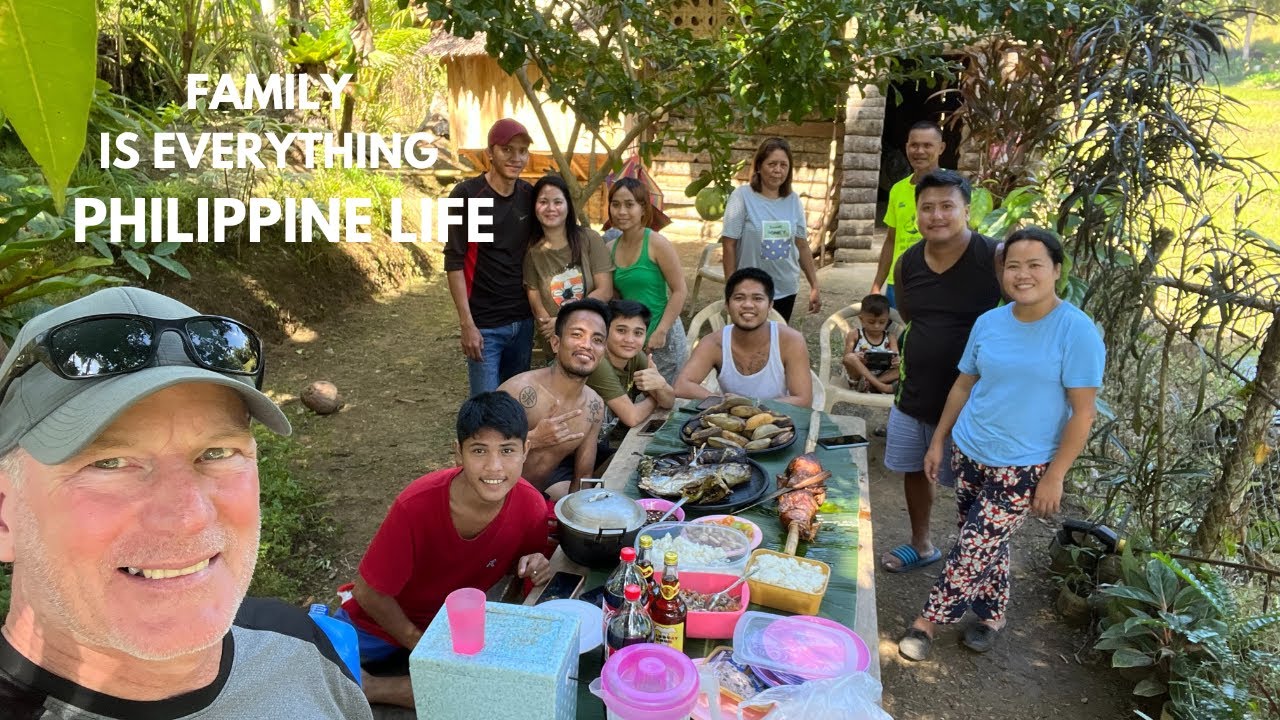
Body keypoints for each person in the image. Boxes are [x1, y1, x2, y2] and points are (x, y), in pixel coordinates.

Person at [0, 286, 371, 719]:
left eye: (216, 453)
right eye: (111, 462)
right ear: (5, 516)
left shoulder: (297, 646)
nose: (189, 516)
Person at [897, 227, 1104, 661]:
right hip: (971, 449)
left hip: (1024, 466)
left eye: (1035, 265)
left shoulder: (1076, 331)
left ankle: (926, 623)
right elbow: (963, 385)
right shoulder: (989, 322)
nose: (1023, 275)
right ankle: (992, 615)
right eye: (1013, 266)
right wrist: (939, 441)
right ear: (1002, 272)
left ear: (1056, 271)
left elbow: (1083, 413)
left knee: (973, 546)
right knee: (984, 541)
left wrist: (1056, 475)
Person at [340, 391, 552, 707]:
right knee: (313, 675)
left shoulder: (531, 505)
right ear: (458, 453)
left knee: (494, 692)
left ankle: (380, 688)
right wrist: (420, 643)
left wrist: (535, 565)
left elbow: (522, 572)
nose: (494, 467)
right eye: (479, 450)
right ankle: (374, 686)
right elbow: (369, 593)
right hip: (376, 625)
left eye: (507, 450)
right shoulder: (416, 506)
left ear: (525, 451)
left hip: (456, 628)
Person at [882, 170, 1002, 573]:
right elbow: (912, 316)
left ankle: (975, 565)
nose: (936, 215)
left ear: (966, 211)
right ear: (915, 213)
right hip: (915, 392)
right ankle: (922, 543)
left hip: (977, 399)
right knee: (915, 469)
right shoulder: (908, 262)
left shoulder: (995, 257)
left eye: (947, 206)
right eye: (927, 207)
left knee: (977, 486)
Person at [445, 118, 536, 396]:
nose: (516, 158)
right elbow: (454, 261)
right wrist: (467, 324)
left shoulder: (528, 196)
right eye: (507, 150)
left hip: (522, 321)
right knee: (485, 406)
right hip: (485, 326)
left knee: (518, 404)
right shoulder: (470, 196)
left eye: (522, 151)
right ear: (490, 153)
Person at [497, 298, 608, 499]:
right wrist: (534, 439)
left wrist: (576, 523)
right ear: (556, 343)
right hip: (492, 500)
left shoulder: (594, 406)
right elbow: (477, 456)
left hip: (533, 501)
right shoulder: (518, 391)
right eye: (577, 334)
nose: (587, 345)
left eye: (597, 340)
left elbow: (583, 477)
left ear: (602, 353)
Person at [675, 268, 813, 408]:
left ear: (770, 306)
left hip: (776, 420)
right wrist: (725, 403)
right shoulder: (714, 343)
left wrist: (750, 406)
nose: (748, 305)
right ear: (727, 306)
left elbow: (803, 399)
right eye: (739, 298)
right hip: (730, 420)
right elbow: (682, 386)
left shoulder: (791, 341)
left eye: (757, 298)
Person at [720, 137, 822, 323]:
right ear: (759, 166)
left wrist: (814, 285)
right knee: (748, 344)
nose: (778, 170)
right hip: (750, 290)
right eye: (772, 164)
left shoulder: (793, 201)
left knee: (775, 342)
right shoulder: (742, 197)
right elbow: (729, 245)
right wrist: (731, 286)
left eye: (784, 165)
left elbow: (802, 245)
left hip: (785, 287)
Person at [607, 177, 689, 385]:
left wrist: (660, 331)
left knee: (666, 400)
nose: (621, 211)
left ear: (643, 208)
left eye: (629, 204)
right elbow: (615, 297)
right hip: (633, 339)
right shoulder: (610, 248)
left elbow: (680, 290)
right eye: (615, 205)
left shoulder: (656, 243)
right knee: (638, 399)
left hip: (663, 336)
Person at [524, 174, 614, 358]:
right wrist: (548, 326)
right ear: (534, 207)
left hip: (591, 338)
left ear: (568, 206)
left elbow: (605, 290)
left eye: (558, 202)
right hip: (555, 341)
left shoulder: (589, 239)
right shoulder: (532, 251)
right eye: (543, 202)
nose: (551, 208)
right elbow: (535, 300)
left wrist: (563, 320)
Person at [871, 121, 947, 308]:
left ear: (941, 148)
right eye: (914, 145)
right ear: (906, 148)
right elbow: (891, 240)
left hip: (936, 282)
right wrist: (876, 285)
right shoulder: (897, 190)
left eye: (927, 145)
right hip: (898, 283)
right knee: (898, 336)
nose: (919, 151)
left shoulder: (953, 188)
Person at [586, 299, 676, 450]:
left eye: (638, 333)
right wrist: (656, 398)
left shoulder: (636, 356)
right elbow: (632, 417)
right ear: (605, 331)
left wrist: (661, 385)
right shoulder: (597, 362)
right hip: (566, 447)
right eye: (621, 330)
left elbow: (669, 401)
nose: (630, 340)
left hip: (596, 440)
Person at [842, 292, 900, 394]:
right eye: (871, 322)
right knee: (850, 357)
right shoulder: (855, 334)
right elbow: (845, 359)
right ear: (861, 319)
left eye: (882, 322)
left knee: (907, 366)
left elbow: (896, 356)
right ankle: (881, 387)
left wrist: (896, 361)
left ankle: (872, 385)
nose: (877, 326)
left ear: (888, 320)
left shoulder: (890, 337)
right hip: (858, 377)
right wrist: (857, 356)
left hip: (883, 376)